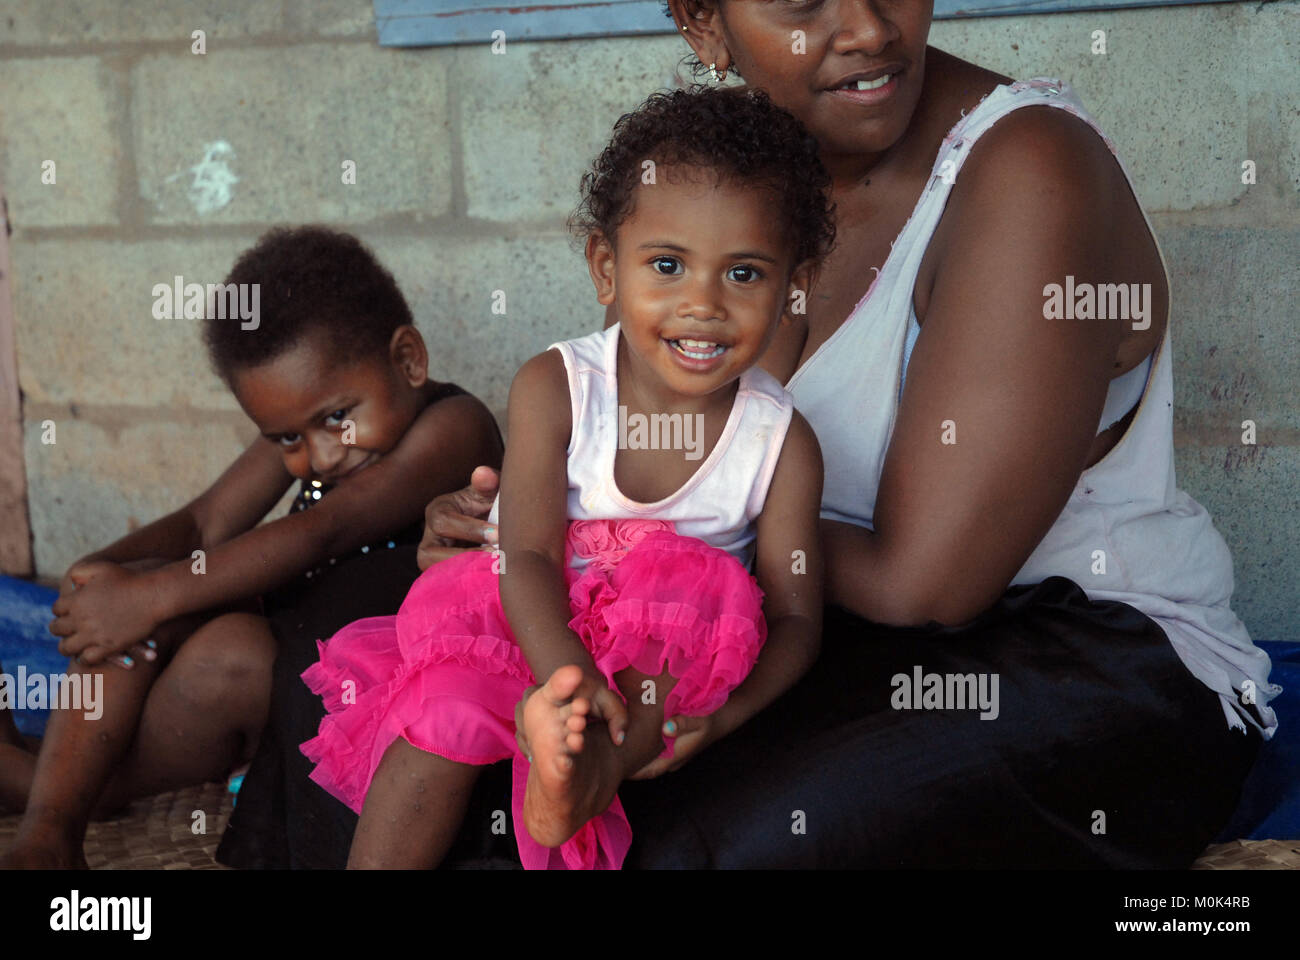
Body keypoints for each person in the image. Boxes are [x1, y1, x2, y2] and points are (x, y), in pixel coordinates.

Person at [419, 0, 1278, 867]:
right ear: (702, 24)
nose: (869, 27)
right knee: (468, 754)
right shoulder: (737, 195)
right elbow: (653, 449)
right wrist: (522, 533)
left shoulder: (1028, 167)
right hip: (836, 635)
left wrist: (613, 541)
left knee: (710, 845)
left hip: (1088, 658)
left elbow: (924, 587)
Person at [297, 86, 832, 870]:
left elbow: (795, 621)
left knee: (693, 593)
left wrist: (726, 717)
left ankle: (581, 778)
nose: (703, 304)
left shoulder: (781, 443)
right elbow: (530, 557)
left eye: (744, 273)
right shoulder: (558, 386)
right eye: (668, 264)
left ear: (795, 285)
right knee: (437, 706)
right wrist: (566, 679)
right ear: (606, 268)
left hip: (652, 673)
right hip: (531, 620)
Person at [0, 226, 502, 868]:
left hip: (343, 686)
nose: (319, 455)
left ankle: (41, 786)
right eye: (287, 439)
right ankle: (48, 831)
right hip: (280, 645)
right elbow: (206, 523)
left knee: (213, 645)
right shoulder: (306, 424)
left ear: (407, 359)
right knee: (137, 600)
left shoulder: (454, 429)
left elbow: (327, 529)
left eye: (335, 419)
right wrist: (104, 576)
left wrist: (148, 594)